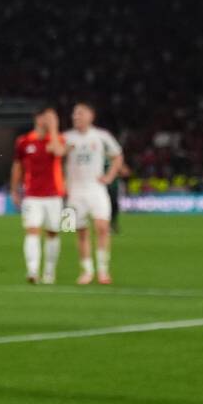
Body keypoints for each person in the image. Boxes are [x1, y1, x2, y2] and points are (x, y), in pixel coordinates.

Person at [63, 102, 123, 285]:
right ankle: (87, 271)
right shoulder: (66, 137)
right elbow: (55, 157)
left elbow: (118, 155)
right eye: (74, 114)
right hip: (74, 190)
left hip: (96, 188)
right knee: (79, 231)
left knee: (102, 228)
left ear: (91, 115)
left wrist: (110, 176)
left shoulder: (101, 136)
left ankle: (103, 271)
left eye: (80, 113)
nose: (76, 117)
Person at [11, 106, 67, 284]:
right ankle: (33, 271)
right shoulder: (24, 141)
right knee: (32, 230)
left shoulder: (57, 138)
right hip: (32, 195)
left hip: (54, 195)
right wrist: (14, 190)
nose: (50, 120)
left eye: (53, 117)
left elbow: (58, 152)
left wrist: (53, 128)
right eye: (47, 117)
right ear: (37, 117)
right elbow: (17, 166)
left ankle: (49, 272)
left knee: (52, 232)